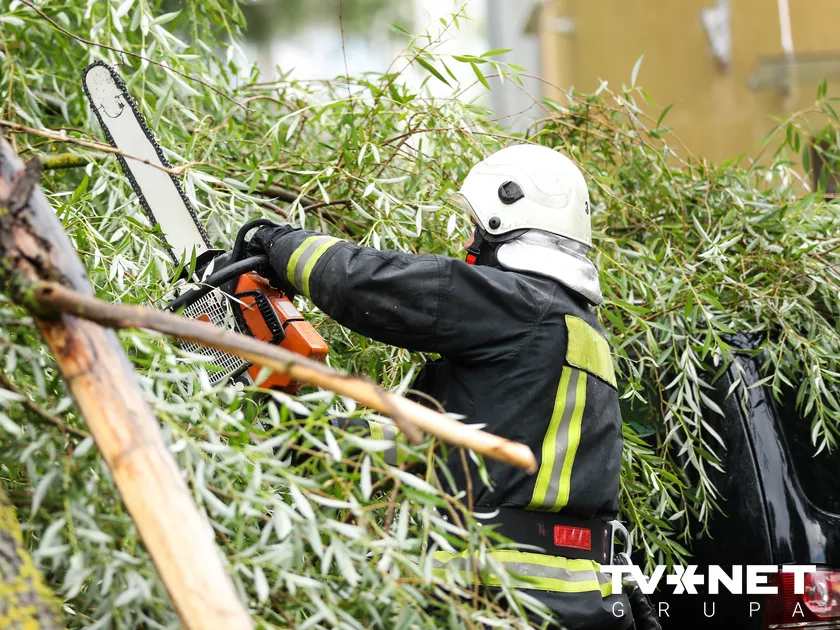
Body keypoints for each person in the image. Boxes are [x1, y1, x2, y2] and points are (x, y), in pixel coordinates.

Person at [243, 145, 634, 629]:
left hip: (501, 603)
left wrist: (282, 245)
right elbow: (434, 449)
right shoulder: (575, 331)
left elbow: (373, 286)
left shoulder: (524, 306)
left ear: (500, 222)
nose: (469, 245)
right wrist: (302, 430)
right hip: (571, 604)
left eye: (475, 229)